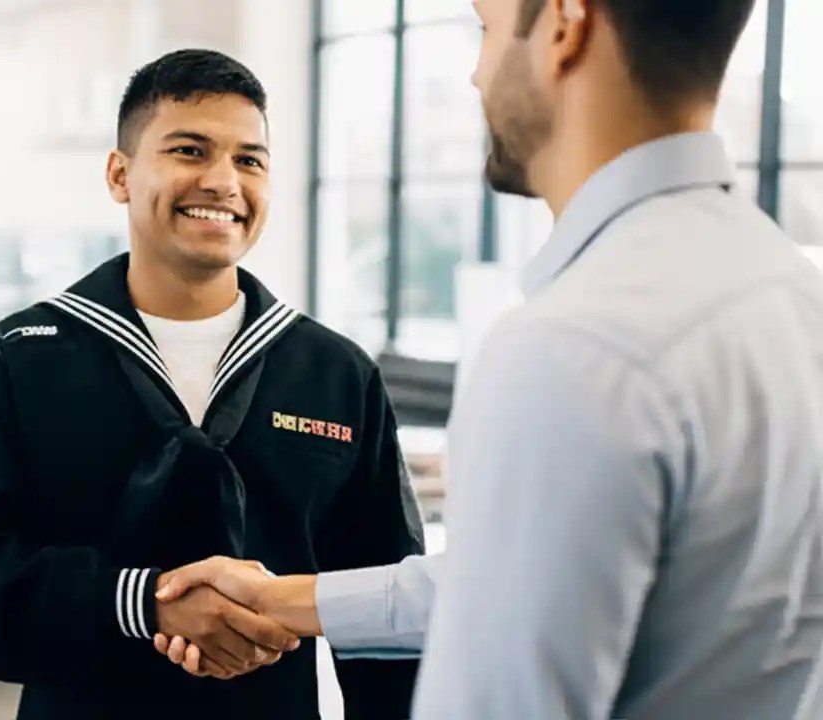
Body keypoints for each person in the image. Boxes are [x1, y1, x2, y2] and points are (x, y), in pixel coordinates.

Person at [153, 1, 823, 718]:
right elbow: (526, 580)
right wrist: (286, 598)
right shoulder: (794, 296)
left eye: (487, 29)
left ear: (565, 25)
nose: (475, 76)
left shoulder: (573, 347)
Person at [0, 48, 426, 719]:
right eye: (189, 150)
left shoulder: (334, 374)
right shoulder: (22, 360)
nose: (223, 181)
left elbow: (385, 604)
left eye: (249, 160)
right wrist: (140, 603)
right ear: (120, 174)